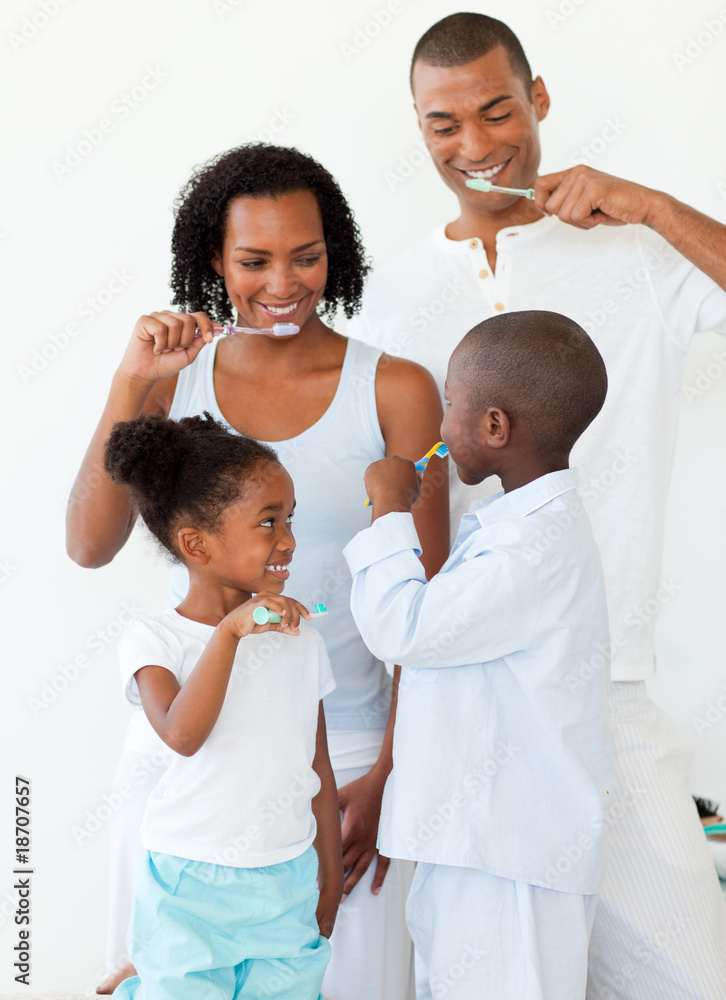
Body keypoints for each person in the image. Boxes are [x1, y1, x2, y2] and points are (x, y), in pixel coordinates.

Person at [347, 13, 726, 998]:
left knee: (690, 975)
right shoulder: (394, 303)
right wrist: (393, 756)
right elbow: (412, 531)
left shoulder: (639, 255)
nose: (475, 146)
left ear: (538, 99)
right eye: (444, 124)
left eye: (496, 109)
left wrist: (648, 204)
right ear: (418, 129)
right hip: (466, 708)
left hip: (609, 687)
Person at [65, 143, 449, 999]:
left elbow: (429, 605)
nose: (283, 282)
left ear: (335, 253)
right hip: (181, 744)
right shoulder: (174, 376)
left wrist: (393, 773)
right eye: (253, 260)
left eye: (306, 256)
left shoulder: (395, 389)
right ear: (214, 259)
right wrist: (133, 381)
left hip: (341, 746)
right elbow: (88, 545)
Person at [344, 311, 613, 999]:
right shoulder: (516, 532)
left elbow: (404, 629)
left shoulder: (528, 549)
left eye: (451, 407)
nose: (439, 428)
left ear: (494, 428)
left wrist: (387, 509)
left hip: (508, 857)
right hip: (480, 846)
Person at [102, 412, 340, 999]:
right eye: (268, 522)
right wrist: (229, 634)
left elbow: (318, 769)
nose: (287, 539)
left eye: (289, 520)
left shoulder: (302, 639)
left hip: (285, 879)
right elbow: (182, 734)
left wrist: (327, 878)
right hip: (188, 882)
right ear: (196, 544)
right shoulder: (153, 641)